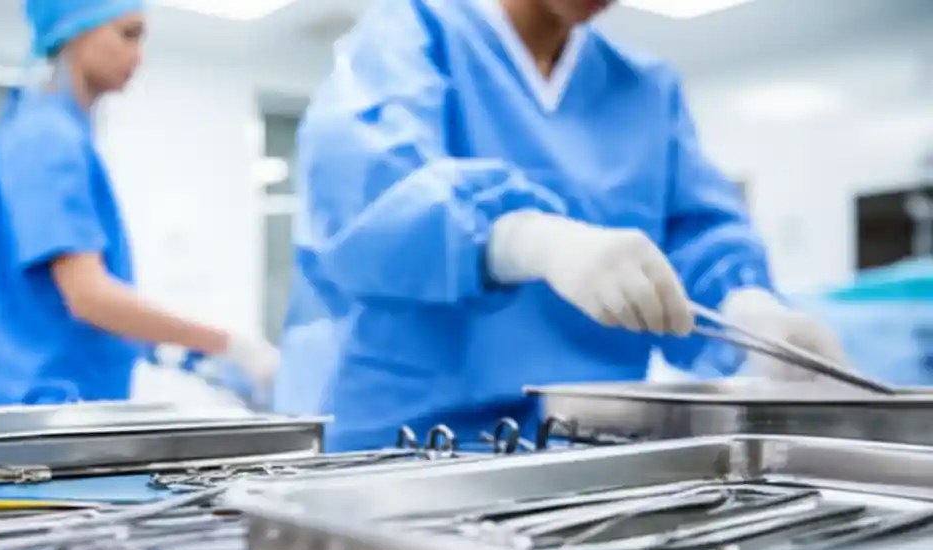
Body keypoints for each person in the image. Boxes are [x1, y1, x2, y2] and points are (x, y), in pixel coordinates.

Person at [275, 0, 847, 451]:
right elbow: (367, 195)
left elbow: (697, 233)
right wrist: (523, 239)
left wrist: (746, 303)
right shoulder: (414, 30)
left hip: (580, 443)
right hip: (405, 440)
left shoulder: (645, 89)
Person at [0, 0, 278, 407]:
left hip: (50, 408)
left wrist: (175, 350)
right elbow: (88, 296)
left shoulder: (52, 133)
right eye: (128, 34)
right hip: (37, 410)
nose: (138, 56)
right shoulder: (47, 138)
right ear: (75, 30)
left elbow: (51, 304)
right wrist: (230, 345)